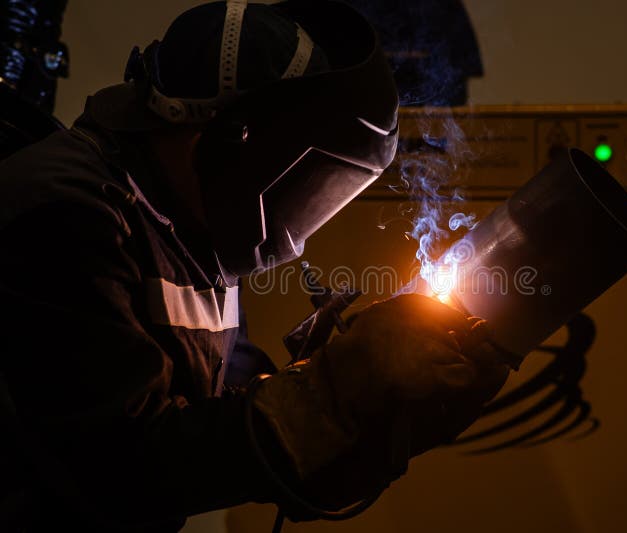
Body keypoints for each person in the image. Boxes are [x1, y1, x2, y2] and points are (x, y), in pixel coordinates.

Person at [0, 1, 509, 531]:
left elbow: (239, 432)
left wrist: (378, 408)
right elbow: (122, 466)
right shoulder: (65, 213)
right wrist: (336, 389)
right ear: (225, 143)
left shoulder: (189, 229)